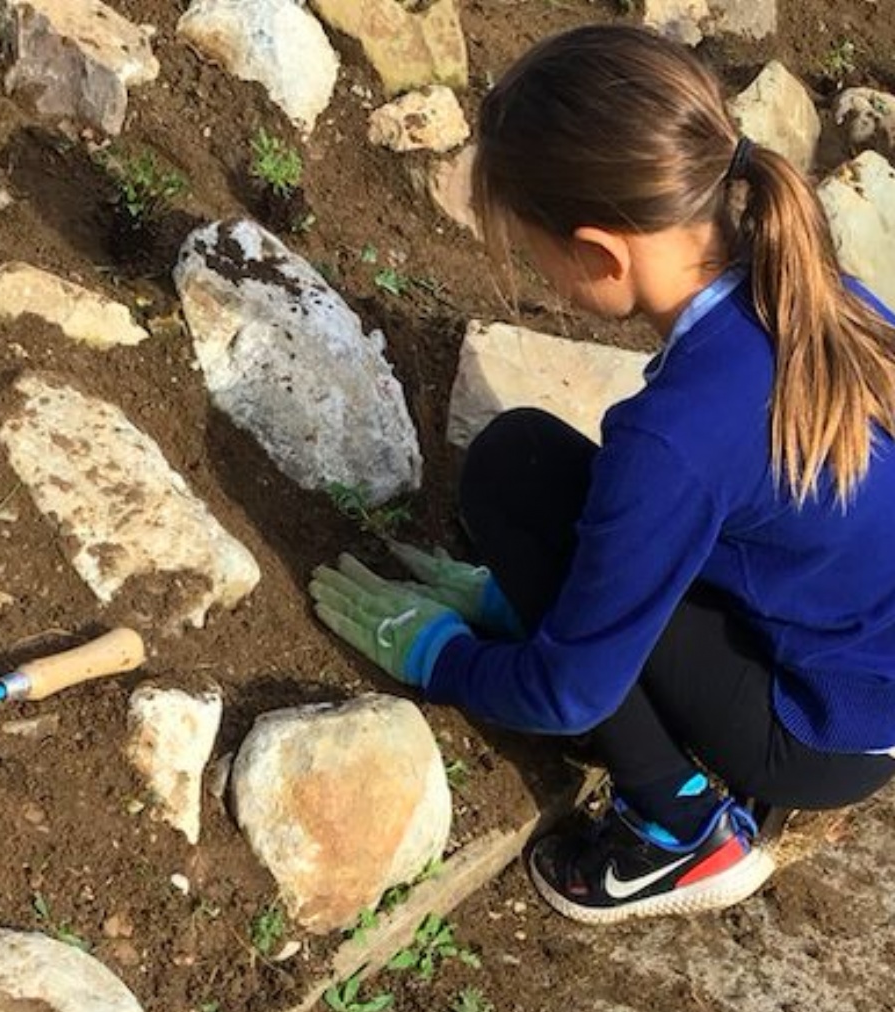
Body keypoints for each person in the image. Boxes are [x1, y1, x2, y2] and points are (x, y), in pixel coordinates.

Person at [309, 24, 895, 924]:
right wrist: (515, 600)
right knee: (519, 462)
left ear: (599, 253)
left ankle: (677, 827)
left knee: (533, 511)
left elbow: (566, 691)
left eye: (532, 251)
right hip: (860, 673)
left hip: (814, 733)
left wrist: (441, 656)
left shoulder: (675, 437)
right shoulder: (818, 293)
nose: (538, 274)